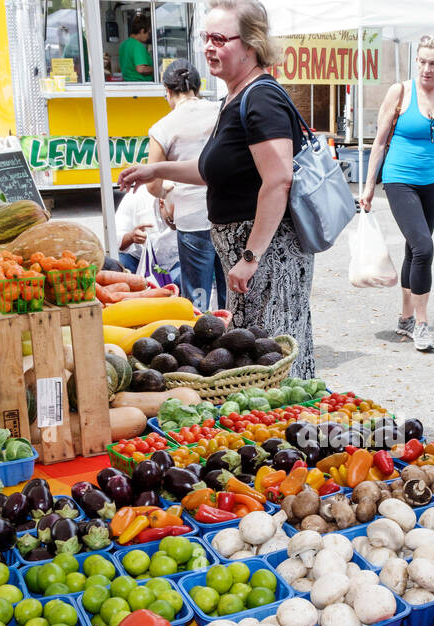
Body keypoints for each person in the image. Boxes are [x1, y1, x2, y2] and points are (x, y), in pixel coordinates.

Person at [118, 0, 315, 378]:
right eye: (205, 37)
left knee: (271, 361)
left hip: (268, 258)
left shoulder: (261, 98)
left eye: (220, 38)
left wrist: (251, 256)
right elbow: (214, 170)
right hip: (250, 256)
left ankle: (289, 427)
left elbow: (279, 180)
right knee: (253, 358)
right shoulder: (234, 97)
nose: (209, 46)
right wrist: (155, 169)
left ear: (251, 44)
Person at [359, 35, 434, 352]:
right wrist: (369, 185)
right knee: (424, 247)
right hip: (399, 179)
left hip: (432, 182)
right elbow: (380, 141)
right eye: (422, 61)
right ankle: (422, 325)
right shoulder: (400, 92)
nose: (426, 68)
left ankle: (405, 317)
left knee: (414, 251)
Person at [146, 59, 225, 310]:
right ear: (199, 87)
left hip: (192, 219)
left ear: (167, 91)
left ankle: (202, 341)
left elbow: (152, 184)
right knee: (232, 290)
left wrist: (167, 192)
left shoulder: (162, 127)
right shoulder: (222, 112)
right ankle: (236, 337)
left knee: (197, 294)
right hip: (228, 213)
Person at [119, 14, 154, 82]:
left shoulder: (124, 44)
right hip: (140, 85)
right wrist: (157, 69)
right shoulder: (137, 45)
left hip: (128, 83)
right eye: (148, 33)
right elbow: (141, 69)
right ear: (142, 31)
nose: (148, 37)